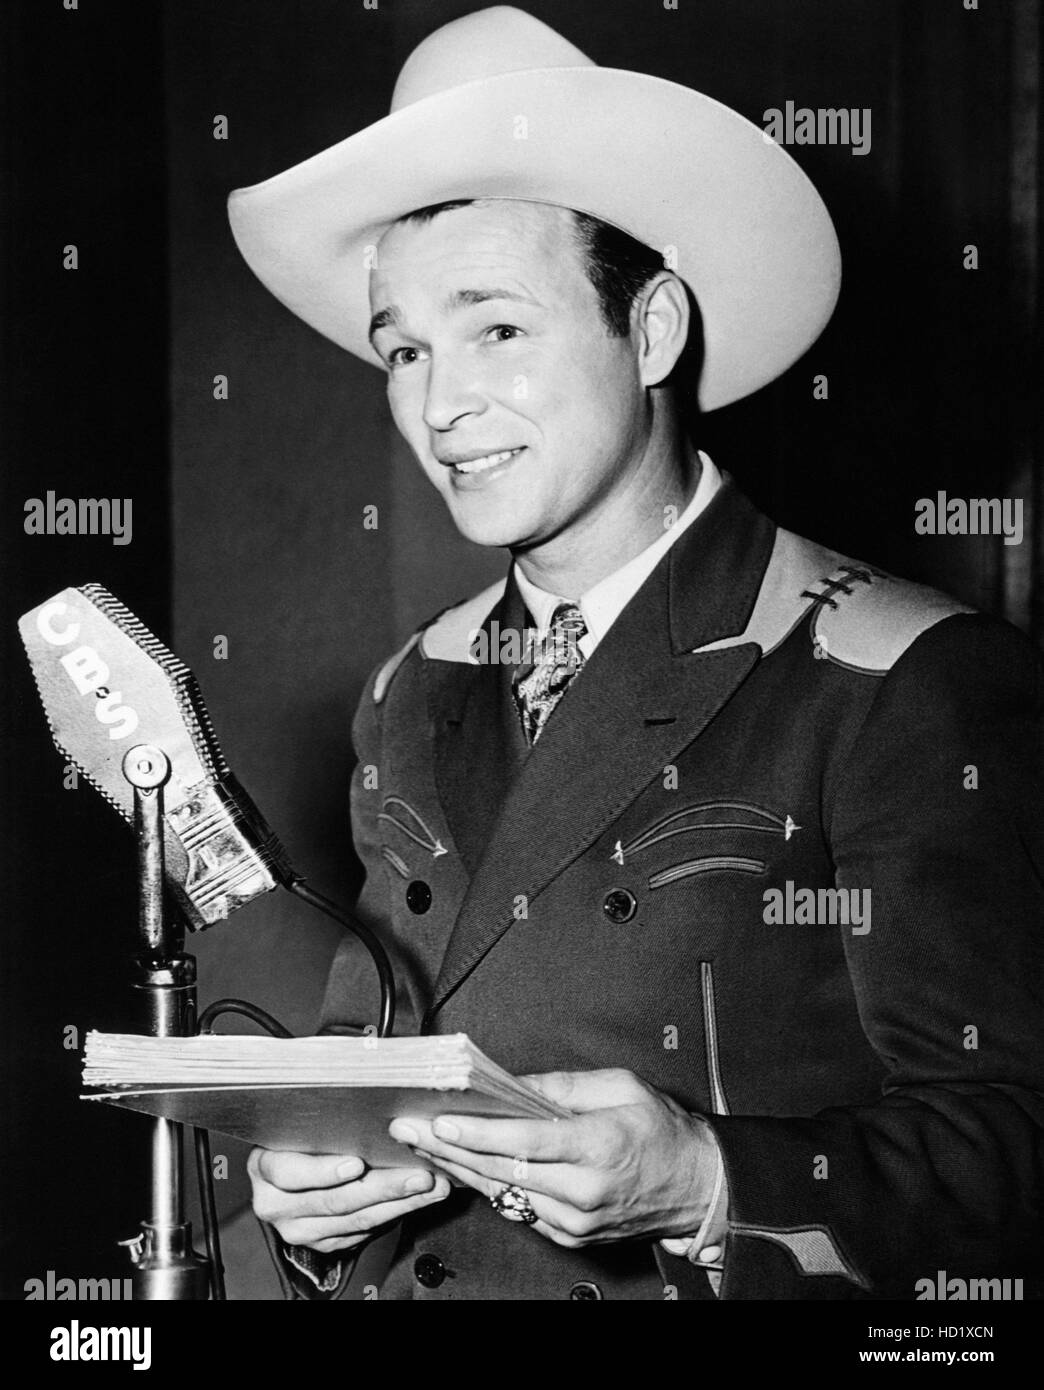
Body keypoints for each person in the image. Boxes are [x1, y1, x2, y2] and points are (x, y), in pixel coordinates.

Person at [230, 7, 1044, 1300]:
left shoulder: (898, 678)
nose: (439, 406)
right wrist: (317, 1216)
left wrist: (710, 1181)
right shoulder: (409, 692)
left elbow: (1010, 1151)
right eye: (405, 350)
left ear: (652, 330)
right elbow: (378, 1073)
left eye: (497, 329)